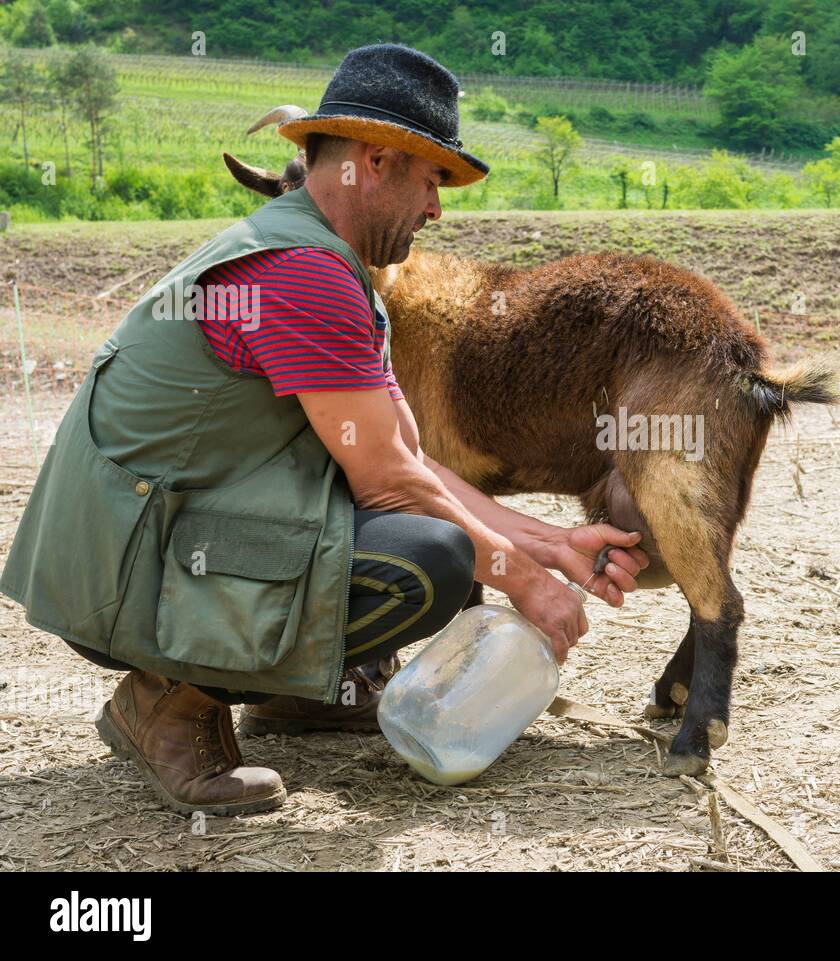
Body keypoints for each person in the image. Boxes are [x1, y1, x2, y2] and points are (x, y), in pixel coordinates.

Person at [0, 44, 647, 816]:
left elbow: (407, 460)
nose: (438, 209)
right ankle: (167, 703)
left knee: (432, 532)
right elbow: (392, 486)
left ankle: (297, 692)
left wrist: (548, 546)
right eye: (433, 179)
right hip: (118, 576)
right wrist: (528, 583)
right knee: (433, 559)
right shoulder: (303, 274)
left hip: (144, 540)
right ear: (375, 161)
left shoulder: (323, 260)